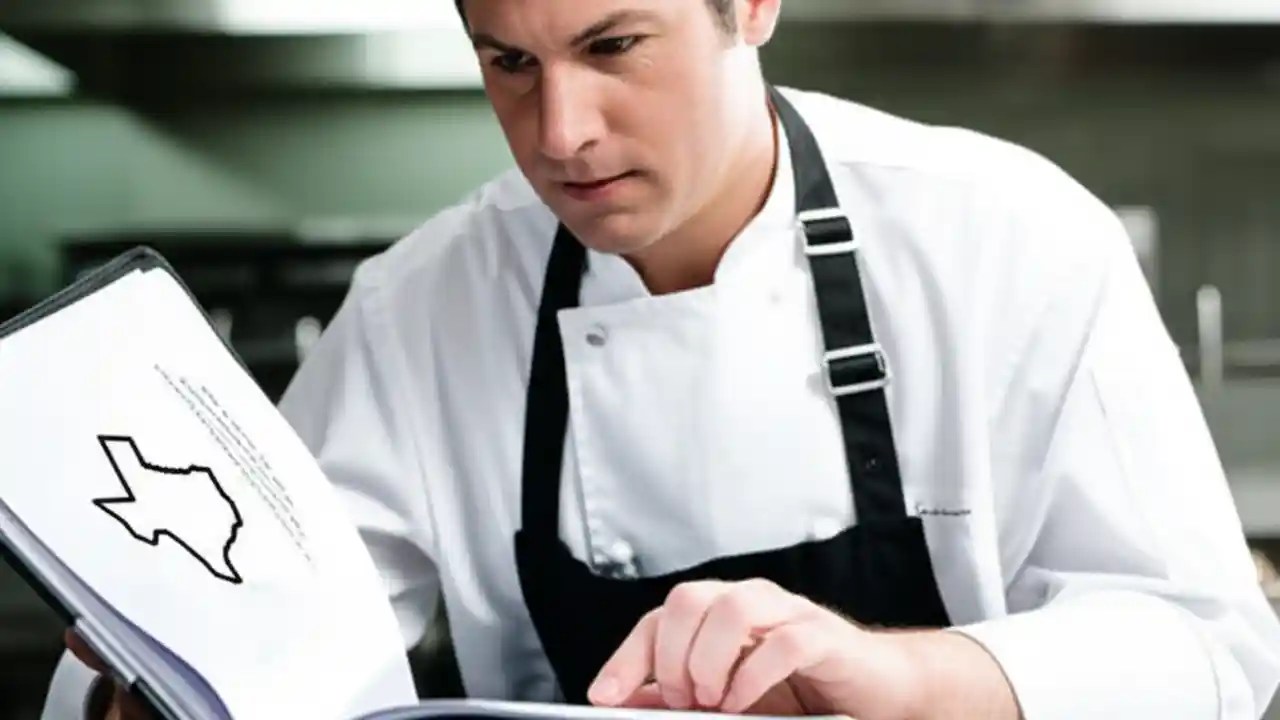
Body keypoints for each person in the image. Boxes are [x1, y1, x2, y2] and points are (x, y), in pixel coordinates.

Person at [41, 0, 1280, 718]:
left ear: (751, 5)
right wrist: (143, 680)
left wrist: (891, 676)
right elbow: (244, 635)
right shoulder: (422, 307)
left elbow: (1206, 650)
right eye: (508, 63)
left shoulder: (1005, 237)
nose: (560, 133)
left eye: (613, 46)